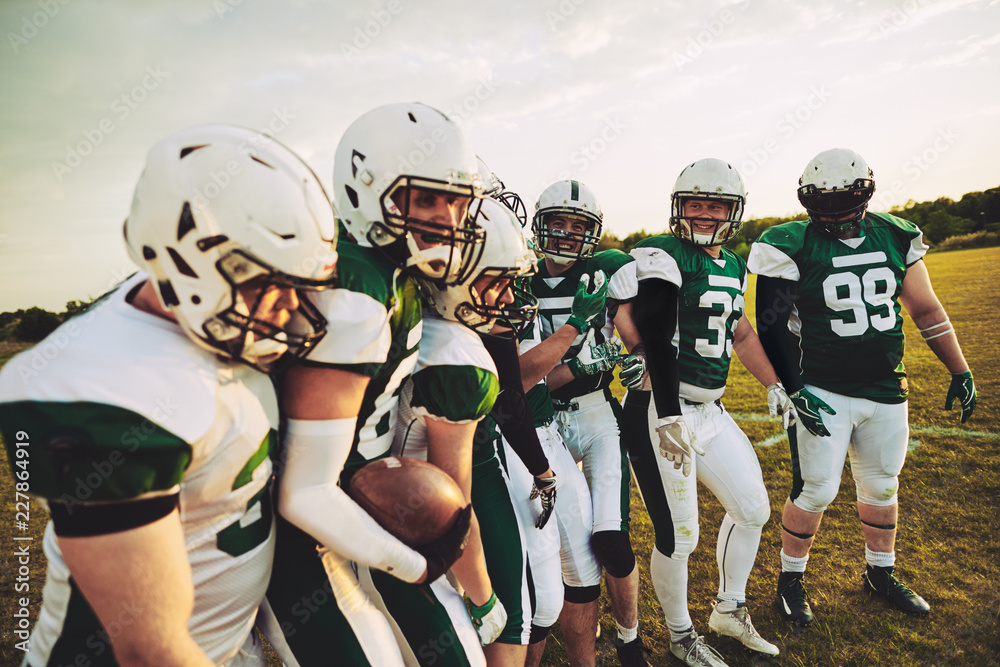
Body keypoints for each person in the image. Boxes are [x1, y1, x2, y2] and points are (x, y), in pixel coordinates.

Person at [0, 124, 339, 665]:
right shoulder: (106, 389)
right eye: (264, 281)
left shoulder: (212, 320)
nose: (288, 307)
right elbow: (148, 649)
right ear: (183, 259)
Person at [263, 102, 482, 666]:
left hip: (341, 516)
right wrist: (417, 564)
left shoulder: (393, 272)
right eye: (427, 198)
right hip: (302, 536)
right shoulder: (357, 289)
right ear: (367, 192)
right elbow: (303, 488)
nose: (449, 220)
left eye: (457, 201)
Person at [748, 147, 977, 626]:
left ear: (865, 192)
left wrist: (959, 368)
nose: (833, 211)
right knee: (815, 490)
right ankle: (790, 580)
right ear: (808, 199)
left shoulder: (895, 233)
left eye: (843, 200)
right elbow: (769, 326)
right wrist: (795, 388)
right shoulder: (790, 241)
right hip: (823, 386)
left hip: (886, 386)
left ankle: (880, 573)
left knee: (881, 484)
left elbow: (926, 309)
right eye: (823, 202)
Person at [619, 158, 793, 666]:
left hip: (711, 411)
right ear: (679, 207)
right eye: (694, 204)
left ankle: (728, 611)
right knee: (680, 534)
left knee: (753, 508)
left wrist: (775, 384)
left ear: (732, 212)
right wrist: (643, 369)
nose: (702, 213)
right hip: (659, 409)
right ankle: (680, 635)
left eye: (714, 205)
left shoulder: (733, 263)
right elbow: (640, 320)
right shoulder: (665, 253)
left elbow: (740, 333)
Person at [395, 196, 541, 666]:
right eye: (495, 281)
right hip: (411, 526)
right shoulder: (457, 356)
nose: (506, 297)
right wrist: (482, 597)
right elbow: (451, 508)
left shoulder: (409, 319)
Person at [520, 179, 648, 667]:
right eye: (558, 223)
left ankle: (629, 635)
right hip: (537, 421)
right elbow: (521, 380)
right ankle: (545, 625)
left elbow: (635, 341)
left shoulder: (609, 271)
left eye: (579, 225)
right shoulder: (517, 279)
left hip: (594, 413)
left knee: (610, 539)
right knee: (543, 540)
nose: (568, 233)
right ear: (540, 225)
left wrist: (638, 360)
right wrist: (579, 364)